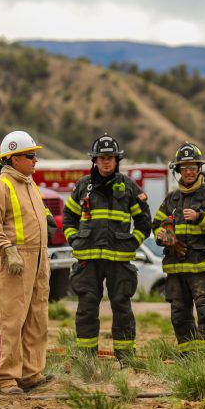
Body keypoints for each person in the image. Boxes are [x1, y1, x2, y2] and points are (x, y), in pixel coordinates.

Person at [62, 134, 151, 360]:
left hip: (119, 260)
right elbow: (68, 218)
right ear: (94, 160)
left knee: (122, 307)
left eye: (110, 157)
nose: (106, 162)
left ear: (117, 160)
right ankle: (86, 357)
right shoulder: (83, 186)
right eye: (101, 158)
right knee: (86, 308)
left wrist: (132, 242)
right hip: (87, 260)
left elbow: (144, 222)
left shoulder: (129, 187)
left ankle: (125, 356)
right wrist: (74, 239)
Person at [0, 130, 51, 394]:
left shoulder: (29, 185)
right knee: (11, 319)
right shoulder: (1, 186)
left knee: (36, 317)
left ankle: (30, 373)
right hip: (13, 261)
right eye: (30, 156)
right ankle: (6, 377)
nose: (35, 160)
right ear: (13, 158)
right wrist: (6, 249)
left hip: (37, 259)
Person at [151, 142, 205, 353]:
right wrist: (164, 236)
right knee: (179, 314)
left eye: (192, 167)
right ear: (178, 170)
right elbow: (157, 225)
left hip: (203, 267)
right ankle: (188, 357)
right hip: (176, 269)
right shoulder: (171, 199)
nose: (188, 172)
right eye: (184, 168)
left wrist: (200, 217)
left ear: (199, 169)